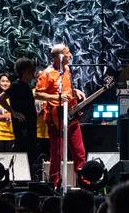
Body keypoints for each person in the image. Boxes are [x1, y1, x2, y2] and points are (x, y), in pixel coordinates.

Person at [37, 44, 92, 188]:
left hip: (70, 115)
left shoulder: (67, 70)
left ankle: (84, 182)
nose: (70, 55)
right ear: (59, 56)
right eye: (67, 53)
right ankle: (54, 184)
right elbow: (38, 93)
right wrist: (55, 98)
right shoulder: (47, 73)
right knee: (57, 154)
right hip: (55, 117)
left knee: (79, 152)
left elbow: (67, 89)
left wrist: (76, 91)